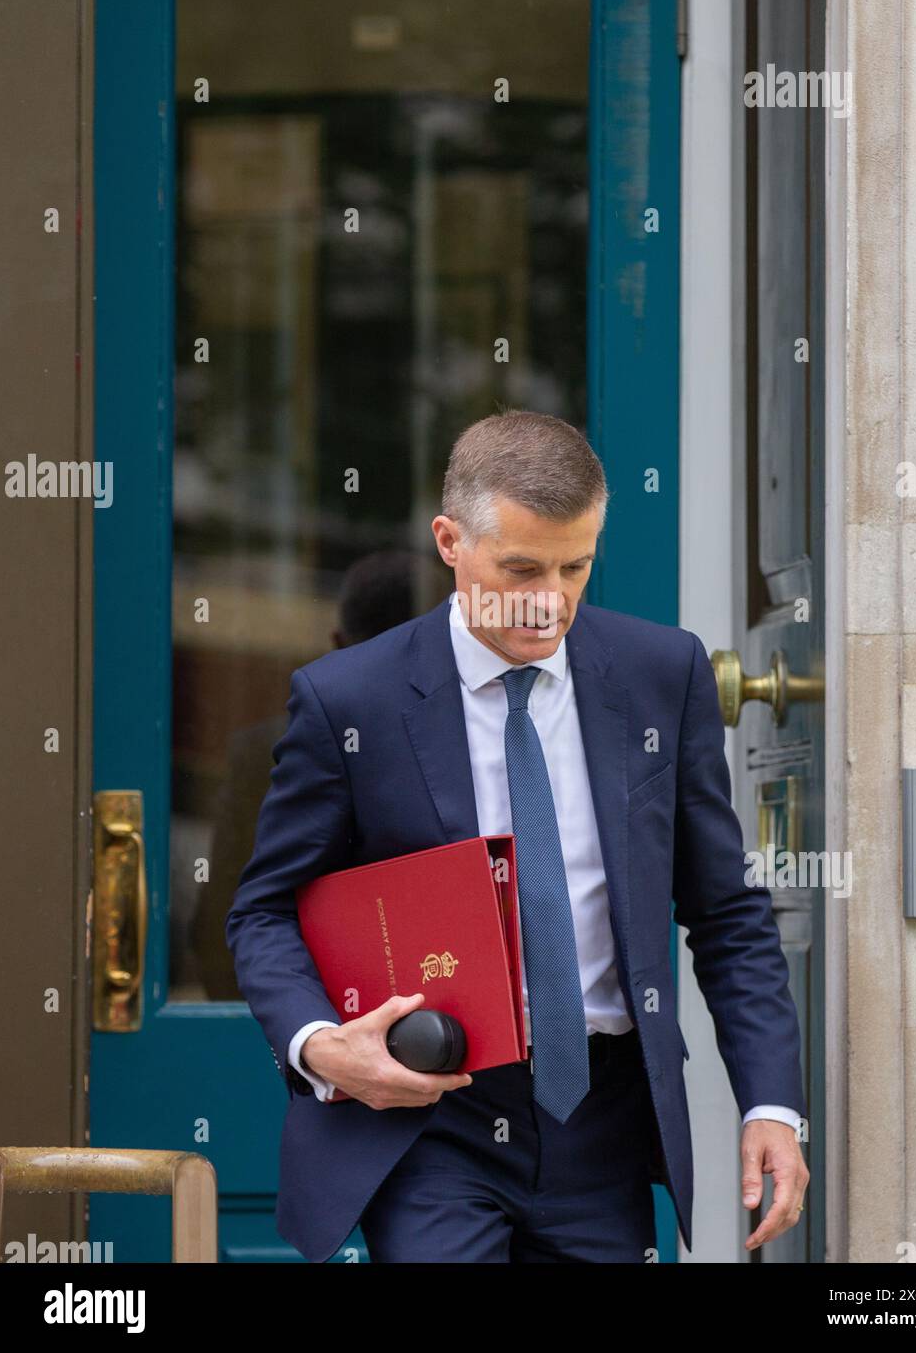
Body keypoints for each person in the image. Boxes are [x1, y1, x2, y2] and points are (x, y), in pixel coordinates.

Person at [225, 409, 809, 1263]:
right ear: (449, 542)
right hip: (433, 1119)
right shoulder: (348, 702)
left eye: (576, 566)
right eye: (522, 568)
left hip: (605, 1122)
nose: (551, 600)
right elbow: (263, 913)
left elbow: (727, 914)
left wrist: (771, 1106)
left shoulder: (662, 675)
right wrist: (323, 1047)